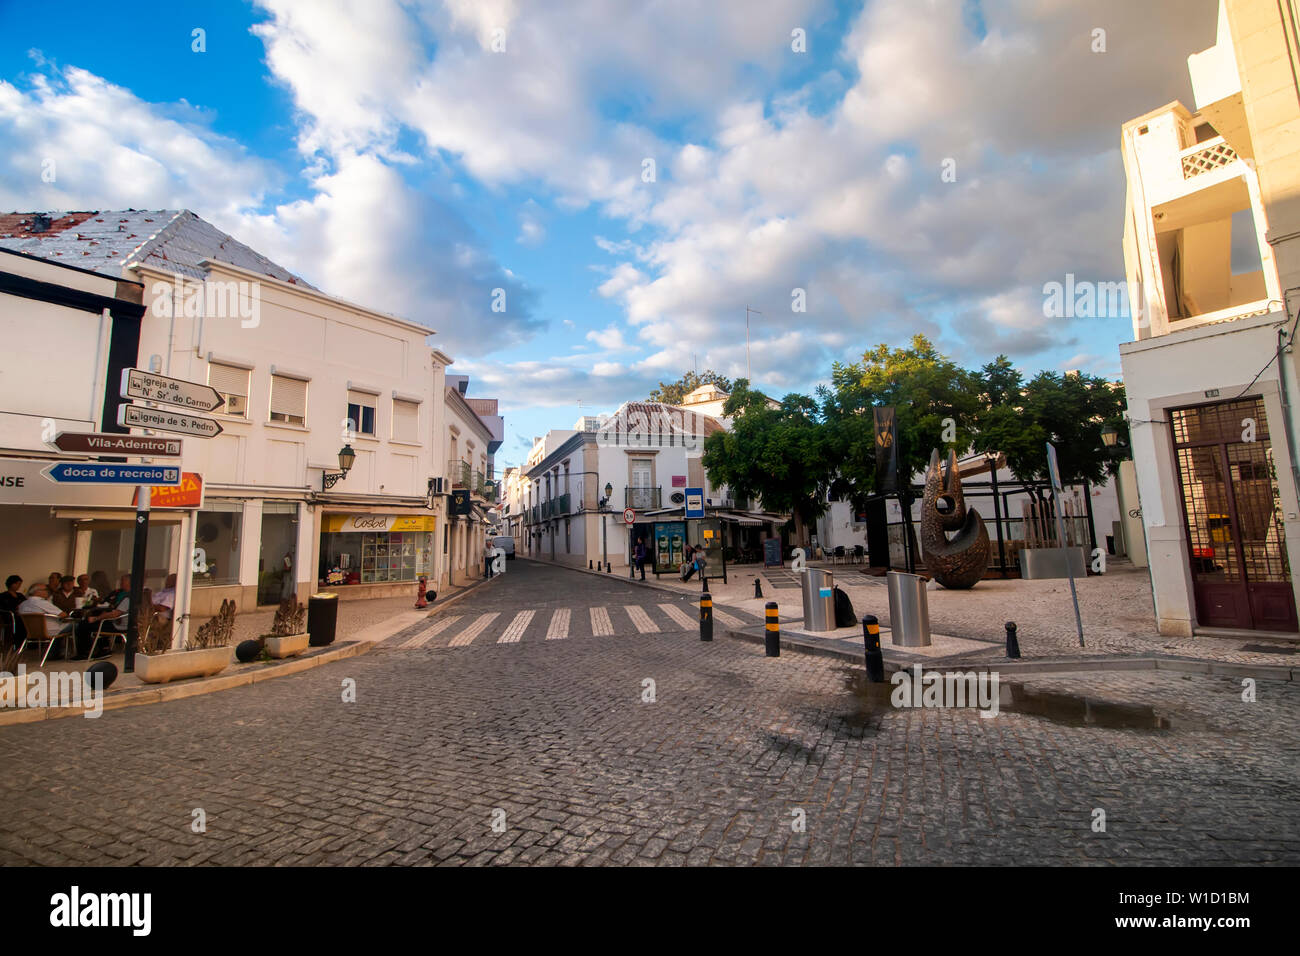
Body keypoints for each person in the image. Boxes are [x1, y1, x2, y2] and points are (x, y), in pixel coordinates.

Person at [74, 574, 130, 660]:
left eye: (123, 581)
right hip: (125, 623)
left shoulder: (128, 597)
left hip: (120, 625)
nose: (121, 583)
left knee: (84, 624)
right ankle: (103, 649)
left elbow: (115, 614)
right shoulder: (130, 594)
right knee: (100, 622)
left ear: (129, 583)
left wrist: (96, 618)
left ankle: (85, 653)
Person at [18, 583, 76, 658]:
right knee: (78, 625)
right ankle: (79, 653)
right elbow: (63, 615)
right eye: (45, 590)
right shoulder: (42, 603)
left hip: (32, 632)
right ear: (37, 592)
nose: (48, 592)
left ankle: (54, 652)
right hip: (51, 630)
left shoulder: (23, 604)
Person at [1, 574, 27, 647]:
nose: (19, 586)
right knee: (20, 621)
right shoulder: (3, 596)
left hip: (22, 614)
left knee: (30, 620)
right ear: (12, 584)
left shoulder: (20, 595)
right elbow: (4, 608)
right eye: (17, 584)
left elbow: (26, 603)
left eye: (20, 584)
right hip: (10, 616)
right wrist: (15, 610)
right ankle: (18, 643)